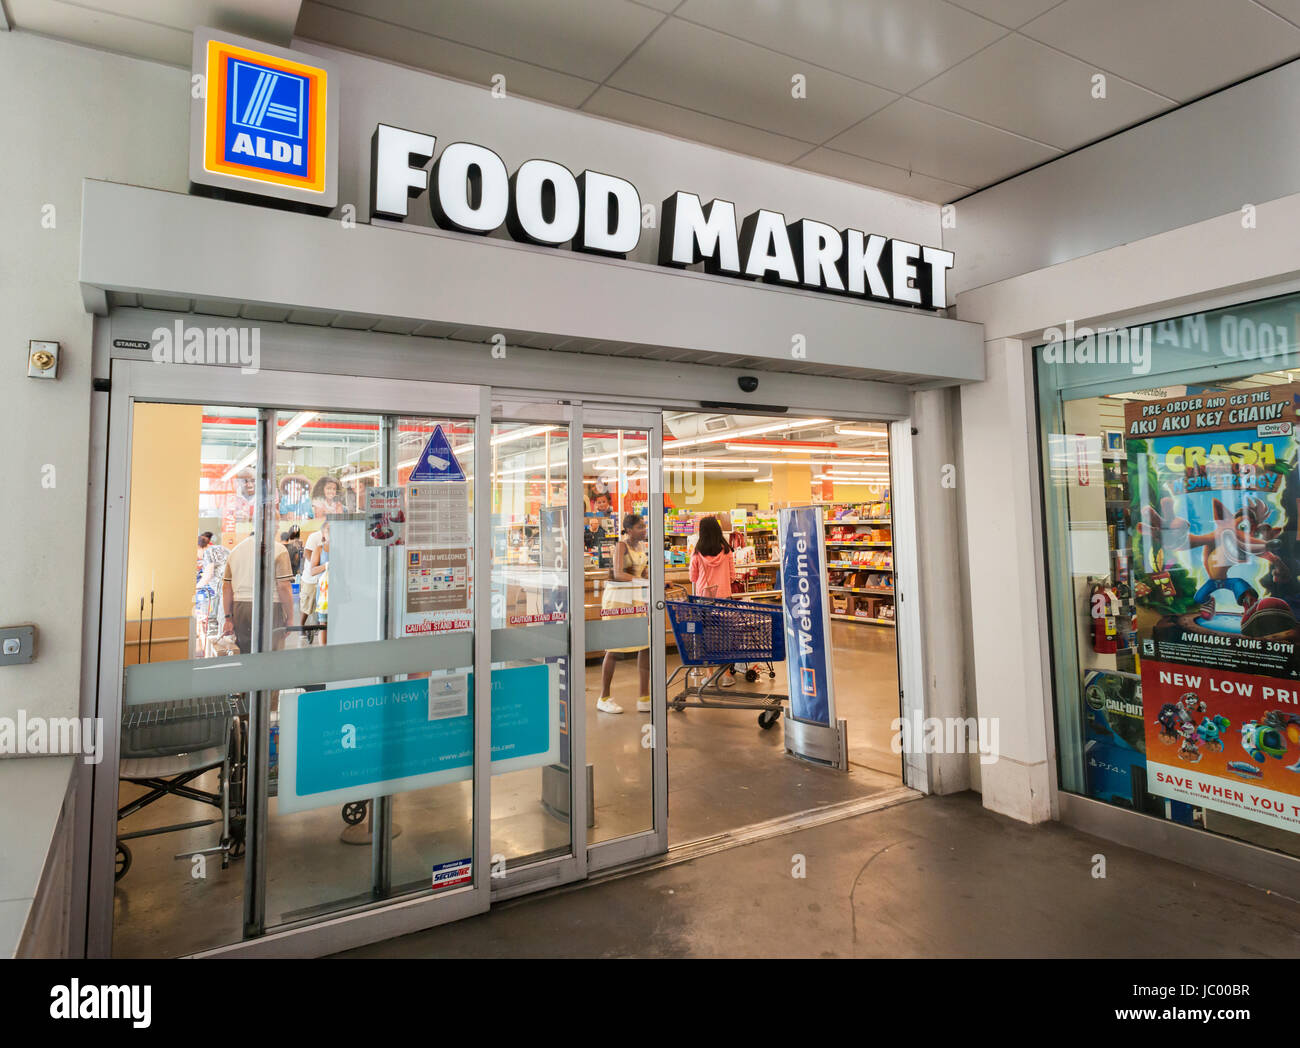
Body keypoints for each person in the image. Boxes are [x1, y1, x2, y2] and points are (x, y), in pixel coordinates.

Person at [597, 513, 650, 714]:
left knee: (645, 646)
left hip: (636, 599)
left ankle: (644, 697)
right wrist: (644, 581)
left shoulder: (642, 547)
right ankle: (604, 697)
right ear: (628, 530)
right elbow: (618, 573)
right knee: (615, 649)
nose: (643, 530)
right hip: (618, 601)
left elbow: (642, 573)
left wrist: (655, 580)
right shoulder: (621, 546)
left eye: (644, 526)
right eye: (639, 527)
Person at [220, 519, 295, 655]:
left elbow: (226, 588)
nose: (278, 526)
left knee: (245, 652)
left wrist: (228, 618)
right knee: (272, 653)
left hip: (241, 608)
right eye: (276, 521)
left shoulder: (235, 551)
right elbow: (283, 586)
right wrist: (290, 617)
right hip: (270, 605)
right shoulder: (278, 550)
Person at [690, 516, 737, 687]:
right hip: (724, 597)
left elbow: (692, 577)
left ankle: (709, 675)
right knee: (725, 635)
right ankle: (725, 675)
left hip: (704, 599)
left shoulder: (697, 552)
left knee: (705, 635)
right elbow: (732, 576)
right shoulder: (727, 551)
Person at [299, 521, 328, 627]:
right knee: (307, 606)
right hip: (311, 579)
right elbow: (307, 553)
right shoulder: (314, 536)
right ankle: (301, 627)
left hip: (325, 580)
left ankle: (319, 627)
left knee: (322, 607)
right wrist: (317, 564)